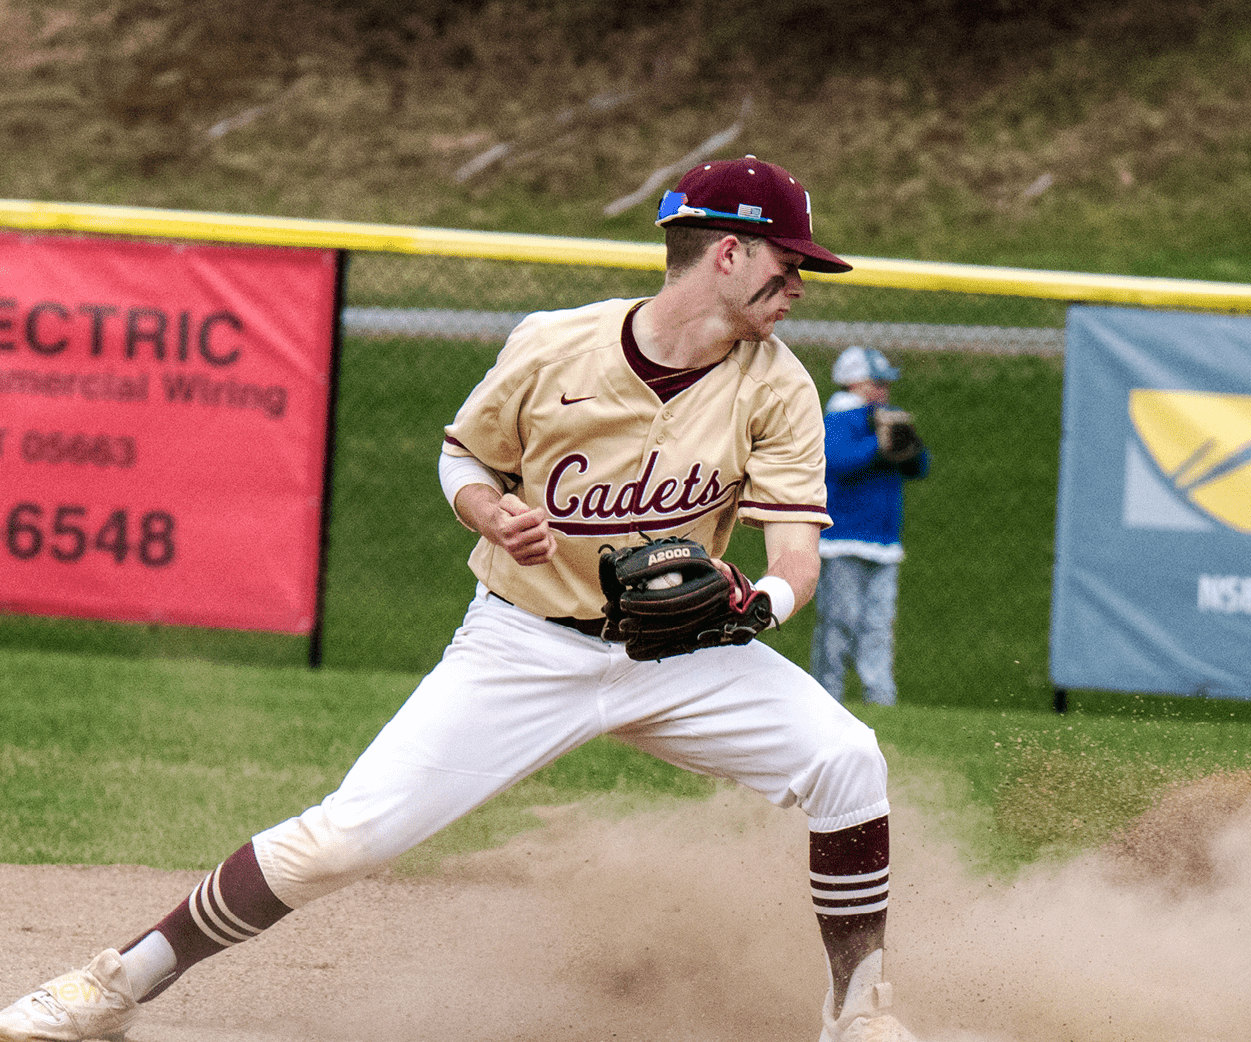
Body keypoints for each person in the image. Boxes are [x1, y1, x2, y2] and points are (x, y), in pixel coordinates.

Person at [0, 156, 924, 1042]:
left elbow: (796, 555)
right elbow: (466, 458)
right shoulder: (554, 343)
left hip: (685, 654)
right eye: (787, 263)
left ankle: (857, 1014)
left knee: (846, 758)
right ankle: (115, 984)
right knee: (345, 842)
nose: (798, 285)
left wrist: (755, 604)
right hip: (526, 644)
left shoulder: (779, 384)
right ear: (727, 252)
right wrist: (489, 511)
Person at [810, 346, 928, 706]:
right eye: (877, 382)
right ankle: (827, 694)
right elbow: (837, 461)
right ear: (853, 382)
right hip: (843, 539)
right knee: (840, 622)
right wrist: (877, 445)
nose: (884, 389)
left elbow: (919, 467)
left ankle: (880, 697)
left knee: (878, 624)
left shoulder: (886, 418)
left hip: (883, 540)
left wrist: (911, 447)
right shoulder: (837, 419)